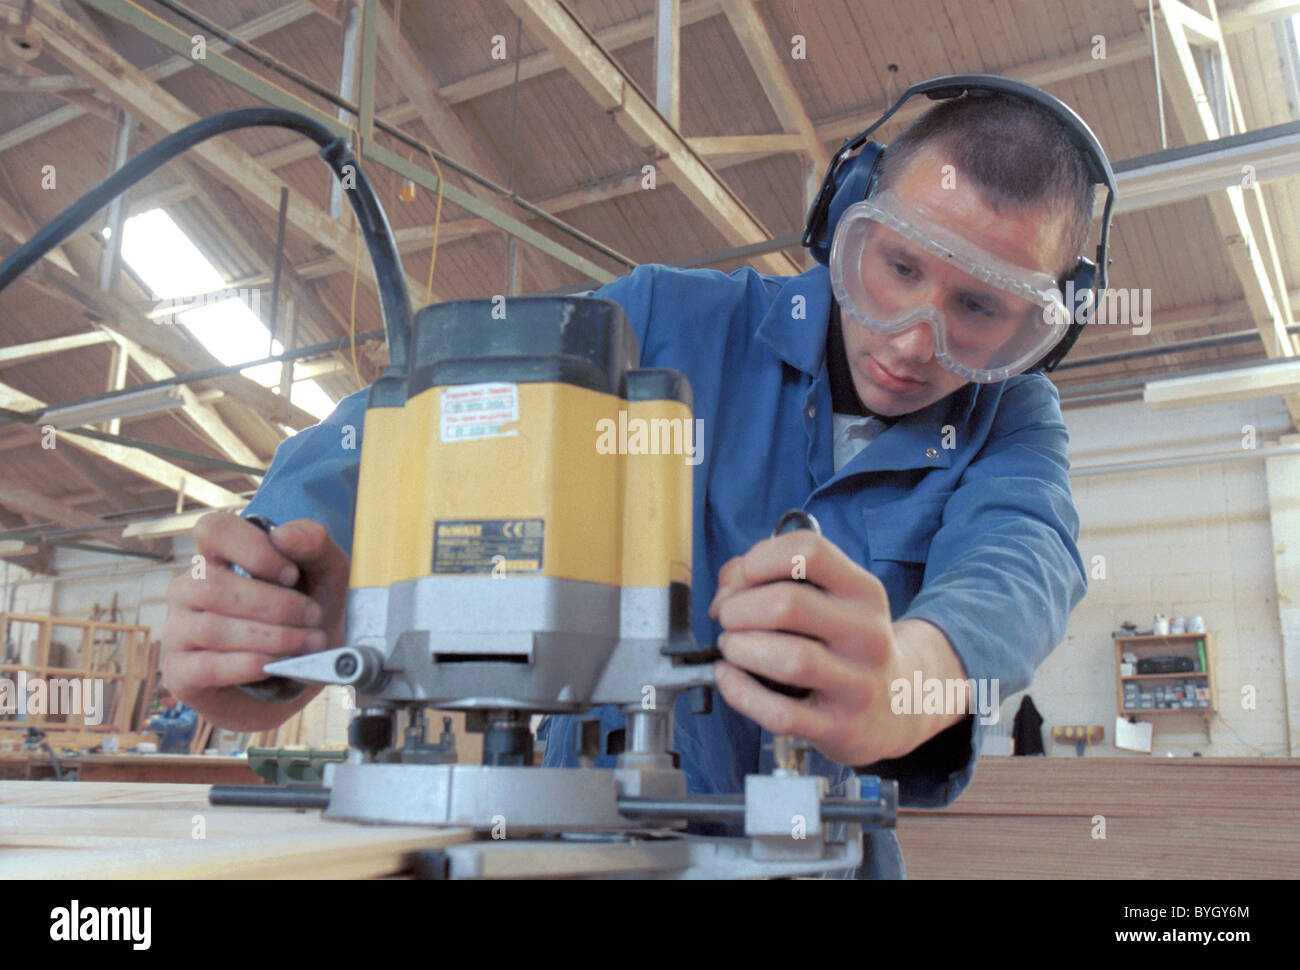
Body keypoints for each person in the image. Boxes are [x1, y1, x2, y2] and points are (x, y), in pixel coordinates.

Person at [161, 76, 1111, 877]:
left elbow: (1021, 568)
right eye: (897, 266)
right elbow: (421, 427)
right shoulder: (660, 321)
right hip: (573, 847)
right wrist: (269, 604)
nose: (913, 338)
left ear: (1046, 326)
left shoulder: (1010, 421)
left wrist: (905, 677)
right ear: (843, 220)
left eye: (981, 309)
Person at [145, 687, 199, 754]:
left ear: (174, 696)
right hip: (166, 749)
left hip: (179, 752)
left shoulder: (188, 709)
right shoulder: (170, 709)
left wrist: (155, 723)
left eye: (165, 701)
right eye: (162, 703)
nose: (164, 705)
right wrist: (159, 718)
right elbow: (167, 720)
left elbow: (182, 724)